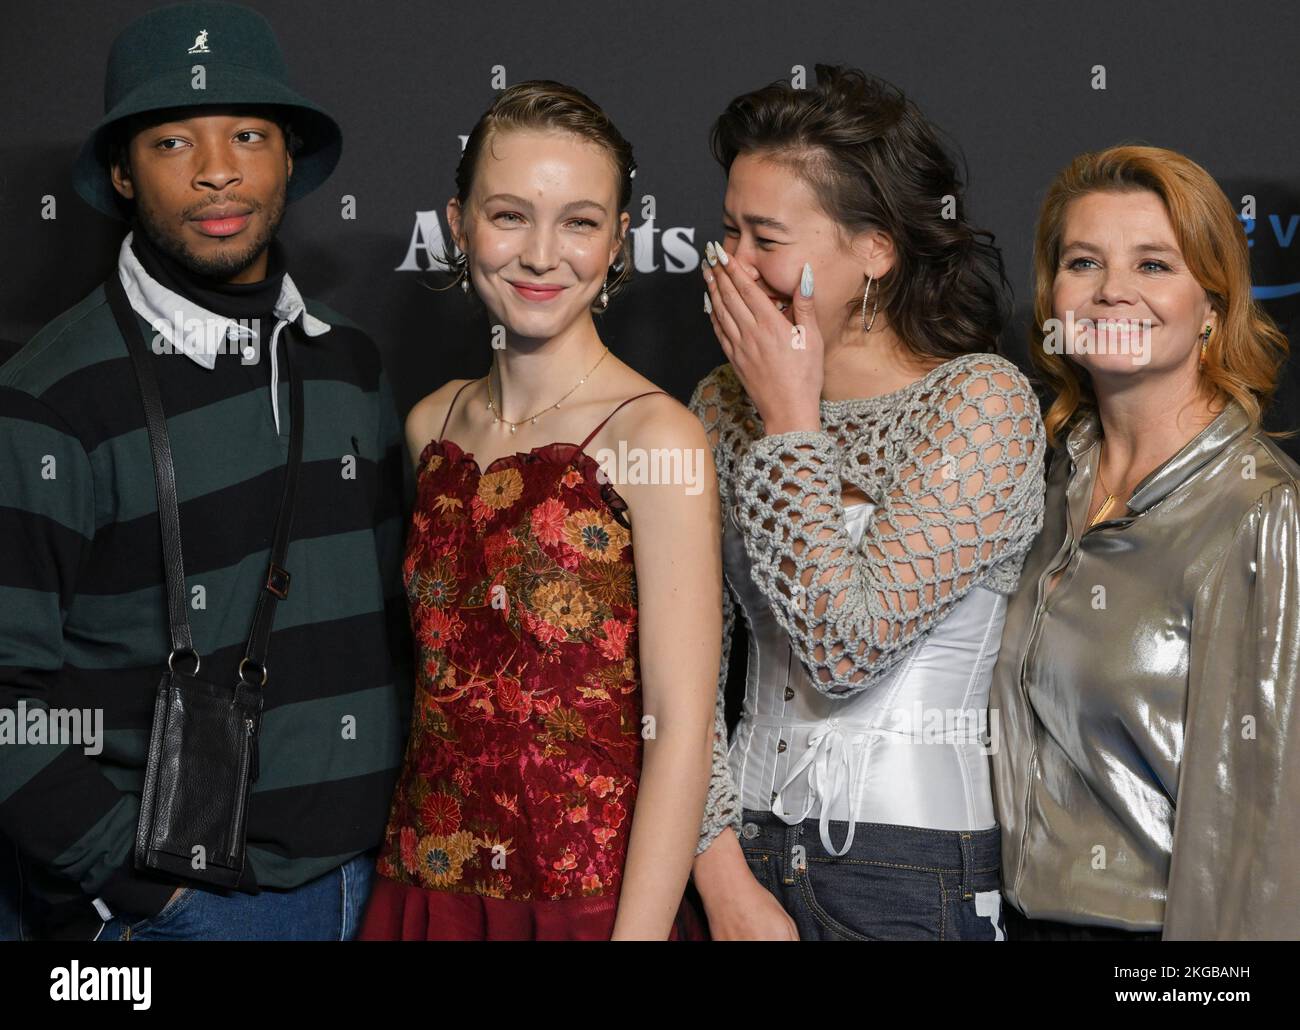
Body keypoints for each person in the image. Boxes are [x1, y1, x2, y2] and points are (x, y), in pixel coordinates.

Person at [0, 1, 411, 940]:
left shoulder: (350, 365)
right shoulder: (50, 398)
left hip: (375, 885)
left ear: (289, 157)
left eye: (249, 134)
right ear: (119, 170)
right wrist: (138, 890)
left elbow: (391, 626)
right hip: (179, 914)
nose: (219, 168)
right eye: (173, 141)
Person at [688, 65, 1047, 940]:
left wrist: (788, 414)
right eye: (727, 229)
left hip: (910, 872)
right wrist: (721, 874)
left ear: (876, 249)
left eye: (765, 237)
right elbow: (678, 674)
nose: (733, 265)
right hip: (740, 858)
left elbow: (842, 650)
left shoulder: (979, 402)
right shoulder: (714, 405)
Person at [357, 80, 720, 941]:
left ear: (619, 241)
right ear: (458, 224)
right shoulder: (430, 424)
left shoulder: (655, 433)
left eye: (580, 221)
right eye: (511, 215)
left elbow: (683, 731)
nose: (542, 255)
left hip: (585, 909)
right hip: (423, 889)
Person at [990, 144, 1300, 941]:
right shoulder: (1047, 483)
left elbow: (1260, 836)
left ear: (1212, 305)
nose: (1113, 290)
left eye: (1154, 264)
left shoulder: (1259, 509)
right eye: (1084, 261)